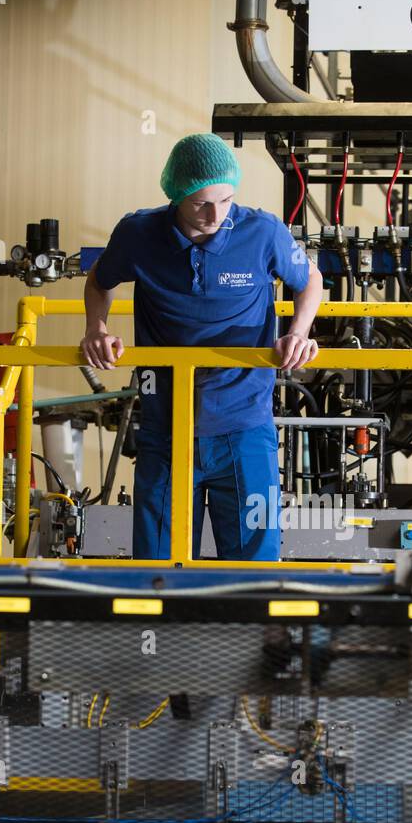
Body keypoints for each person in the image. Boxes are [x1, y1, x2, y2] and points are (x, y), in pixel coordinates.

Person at [81, 133, 323, 560]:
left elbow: (311, 281)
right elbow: (100, 281)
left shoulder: (263, 232)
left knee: (254, 566)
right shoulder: (138, 233)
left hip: (244, 421)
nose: (216, 214)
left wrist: (299, 333)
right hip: (165, 425)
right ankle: (165, 630)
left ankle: (248, 629)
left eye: (226, 200)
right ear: (175, 196)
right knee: (160, 566)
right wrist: (96, 328)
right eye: (201, 203)